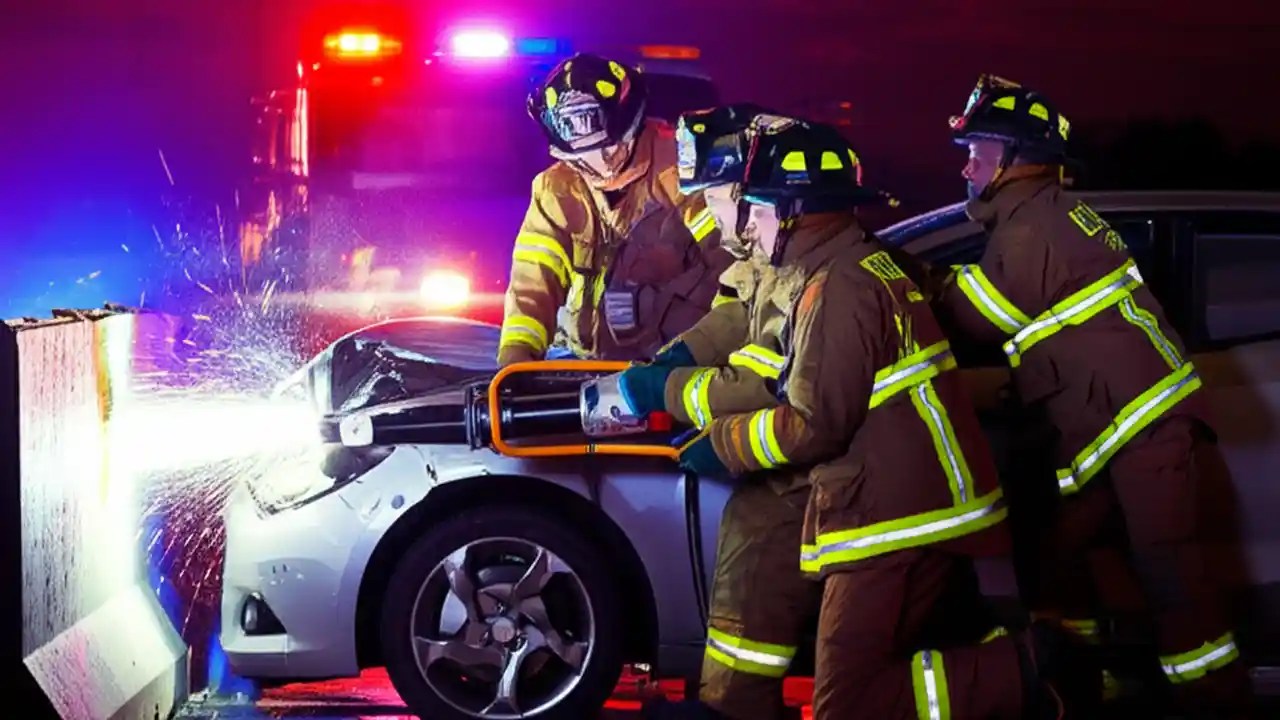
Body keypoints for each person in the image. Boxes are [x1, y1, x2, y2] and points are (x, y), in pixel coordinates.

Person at [626, 111, 1061, 720]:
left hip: (897, 519)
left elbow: (813, 421)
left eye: (751, 206)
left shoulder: (840, 285)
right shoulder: (833, 267)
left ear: (791, 208)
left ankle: (1027, 669)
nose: (743, 224)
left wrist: (717, 443)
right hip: (899, 504)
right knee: (887, 670)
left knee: (849, 706)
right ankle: (1008, 670)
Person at [936, 73, 1252, 717]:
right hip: (1104, 428)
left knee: (1172, 577)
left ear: (1019, 161)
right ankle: (1076, 687)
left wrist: (898, 285)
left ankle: (1219, 701)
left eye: (982, 152)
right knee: (1057, 555)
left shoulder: (1031, 231)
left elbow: (967, 320)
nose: (968, 165)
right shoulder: (1041, 216)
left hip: (1140, 424)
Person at [498, 53, 731, 365]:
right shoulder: (556, 189)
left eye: (610, 147)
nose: (603, 163)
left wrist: (704, 353)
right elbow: (533, 284)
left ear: (633, 125)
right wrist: (517, 361)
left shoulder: (682, 173)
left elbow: (731, 269)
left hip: (676, 370)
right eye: (587, 156)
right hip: (586, 365)